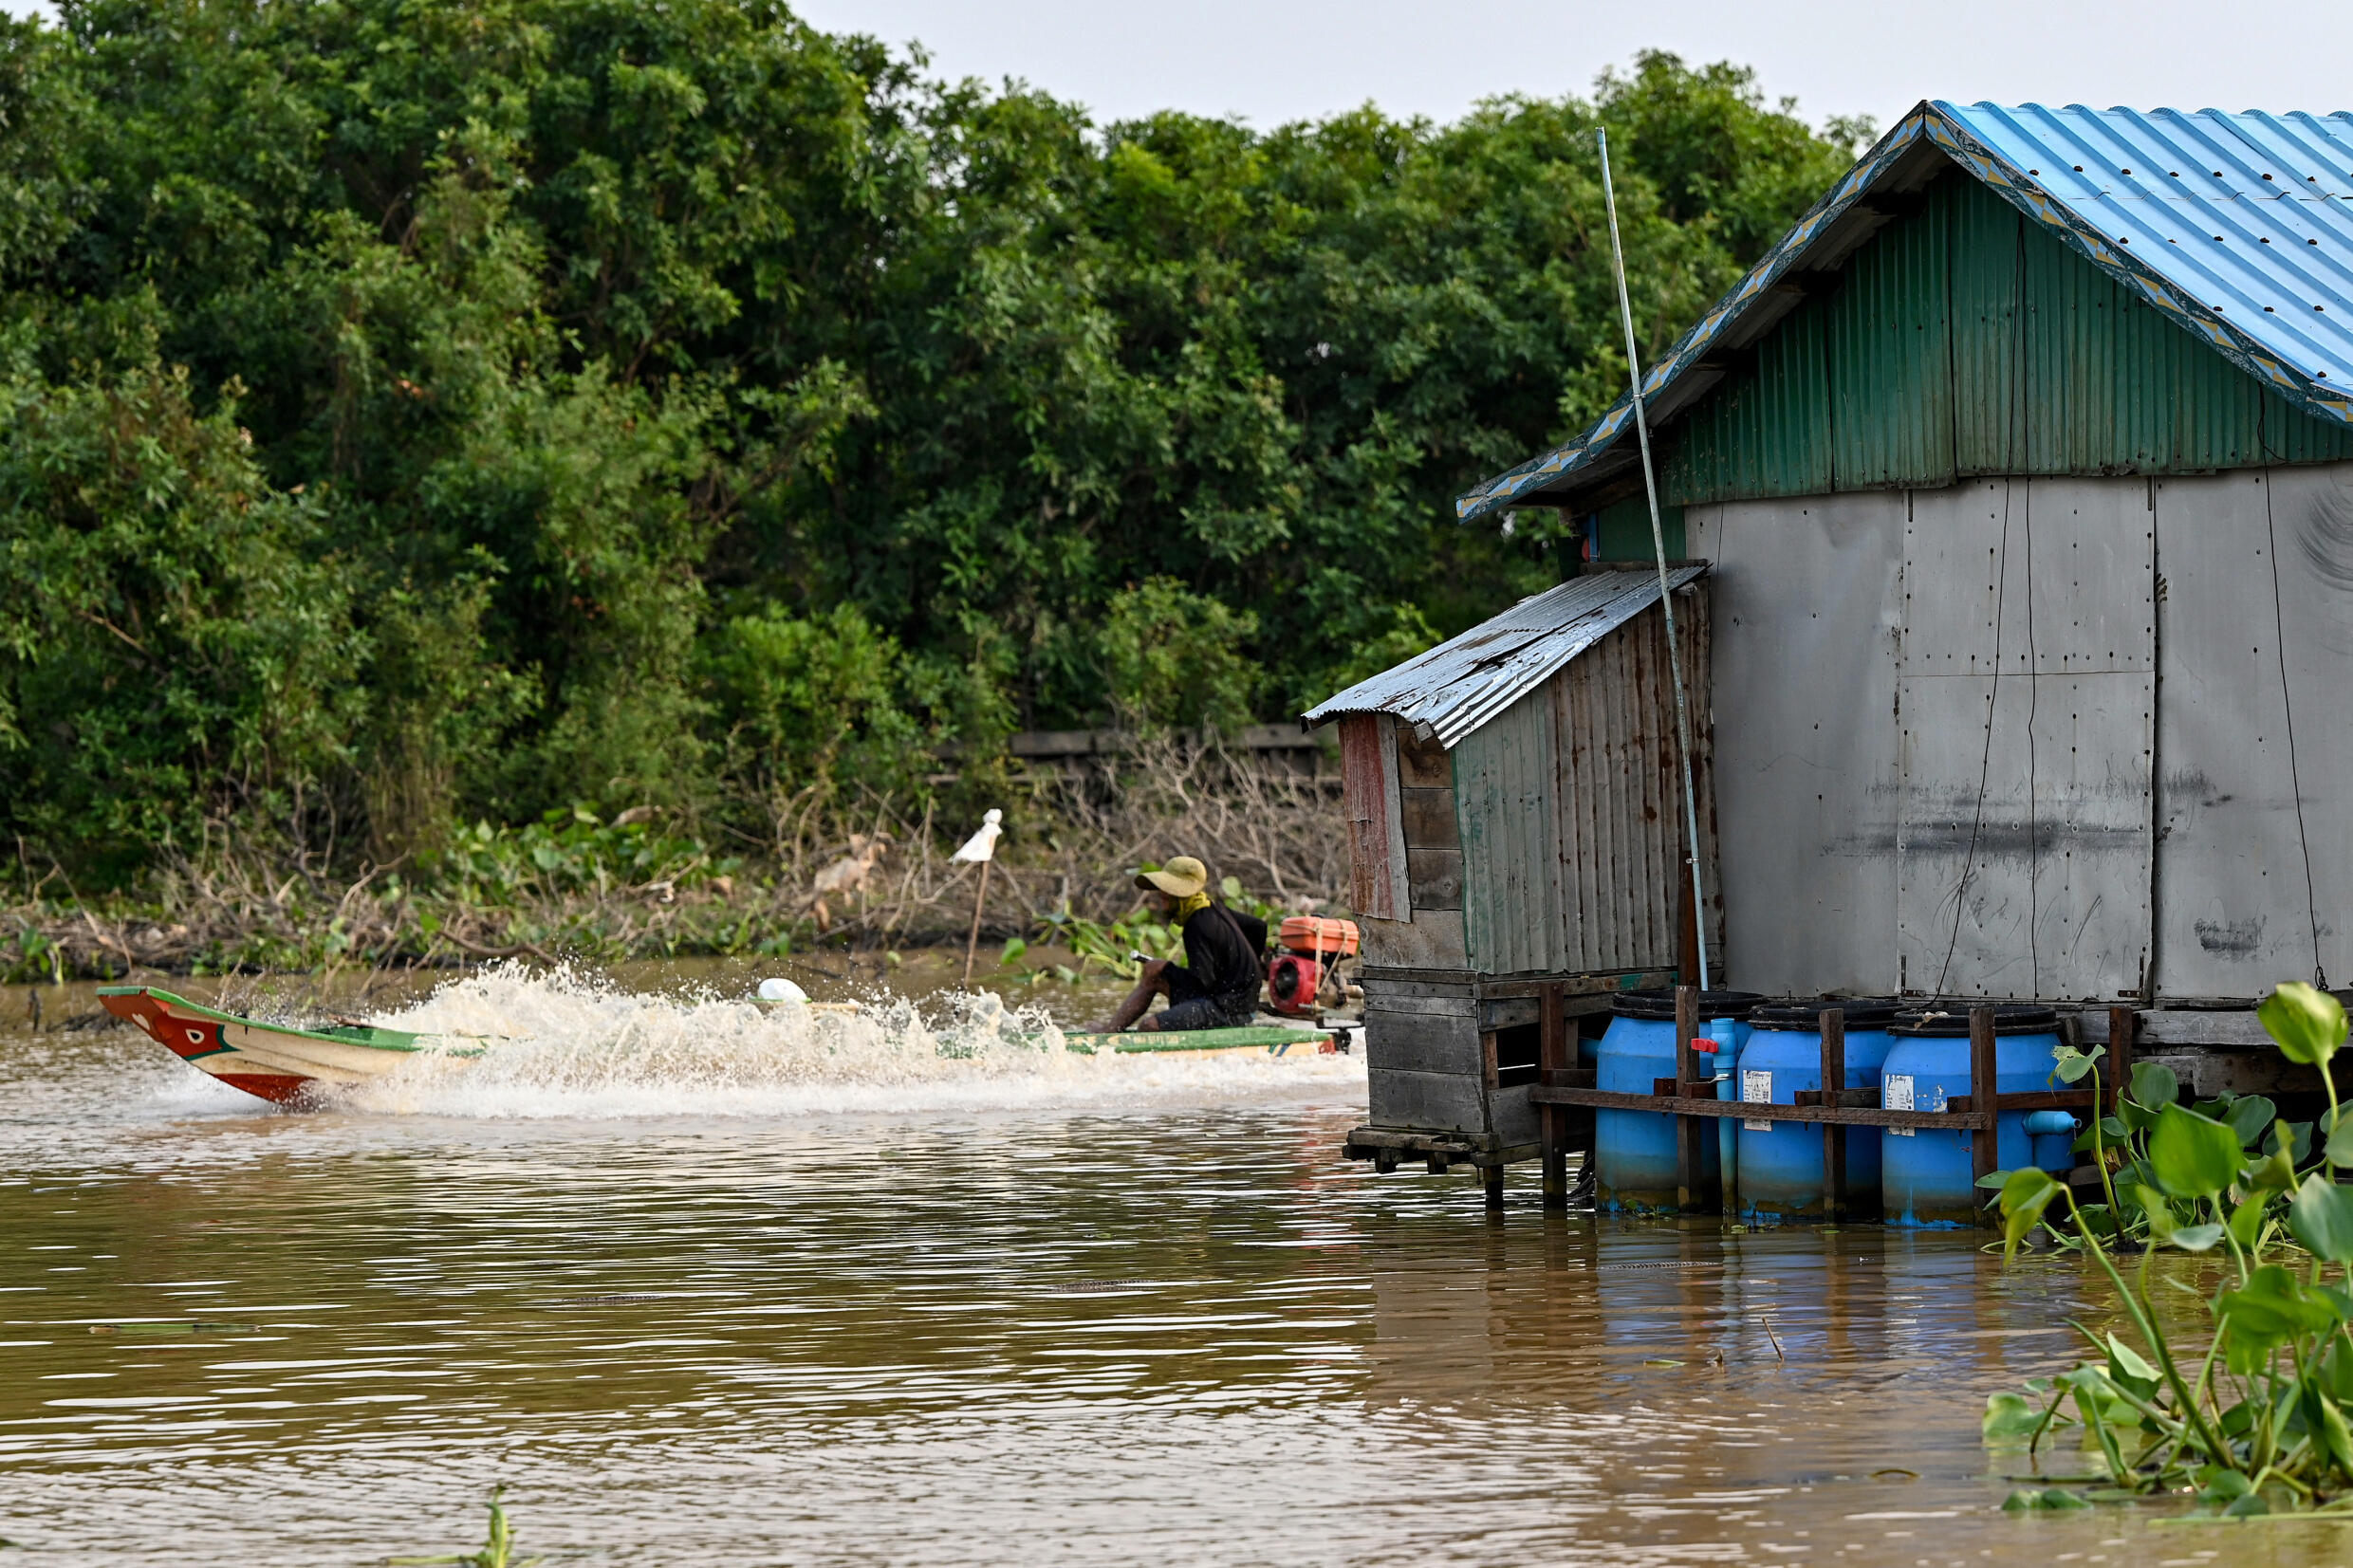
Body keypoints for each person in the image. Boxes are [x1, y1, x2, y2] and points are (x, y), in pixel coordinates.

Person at [1090, 856, 1267, 1033]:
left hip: (1228, 1010)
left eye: (1166, 900)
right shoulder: (1214, 908)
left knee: (1149, 1026)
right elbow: (1258, 926)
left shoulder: (1197, 925)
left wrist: (1166, 968)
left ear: (1179, 898)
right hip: (1236, 1000)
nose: (1163, 905)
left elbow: (1202, 983)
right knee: (1153, 977)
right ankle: (1111, 1030)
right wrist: (1251, 968)